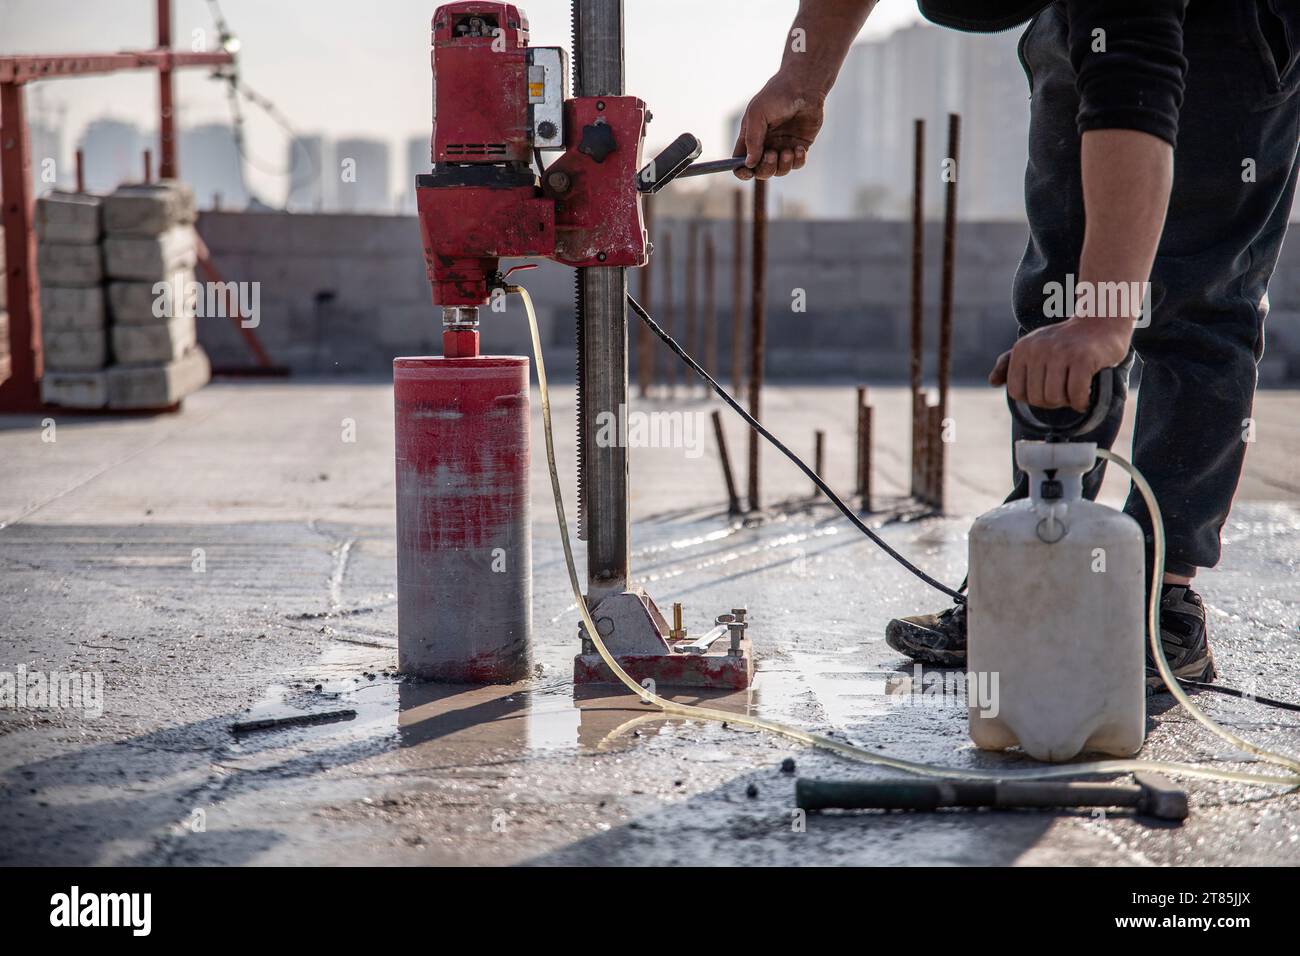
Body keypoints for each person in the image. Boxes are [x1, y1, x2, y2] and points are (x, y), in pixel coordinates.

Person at [734, 0, 1300, 692]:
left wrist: (1104, 321)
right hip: (1083, 21)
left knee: (1198, 299)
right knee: (1058, 291)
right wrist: (804, 76)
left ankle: (1162, 599)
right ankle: (1040, 558)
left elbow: (1135, 80)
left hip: (1235, 30)